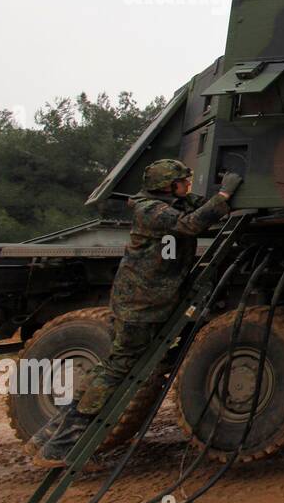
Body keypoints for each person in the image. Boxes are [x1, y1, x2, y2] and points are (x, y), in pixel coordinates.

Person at [31, 160, 243, 466]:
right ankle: (59, 447)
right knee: (116, 372)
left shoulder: (168, 203)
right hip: (140, 306)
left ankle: (46, 437)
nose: (188, 185)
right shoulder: (150, 211)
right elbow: (190, 224)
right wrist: (222, 196)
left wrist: (222, 194)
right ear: (168, 186)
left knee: (112, 368)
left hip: (146, 301)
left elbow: (195, 207)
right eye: (183, 181)